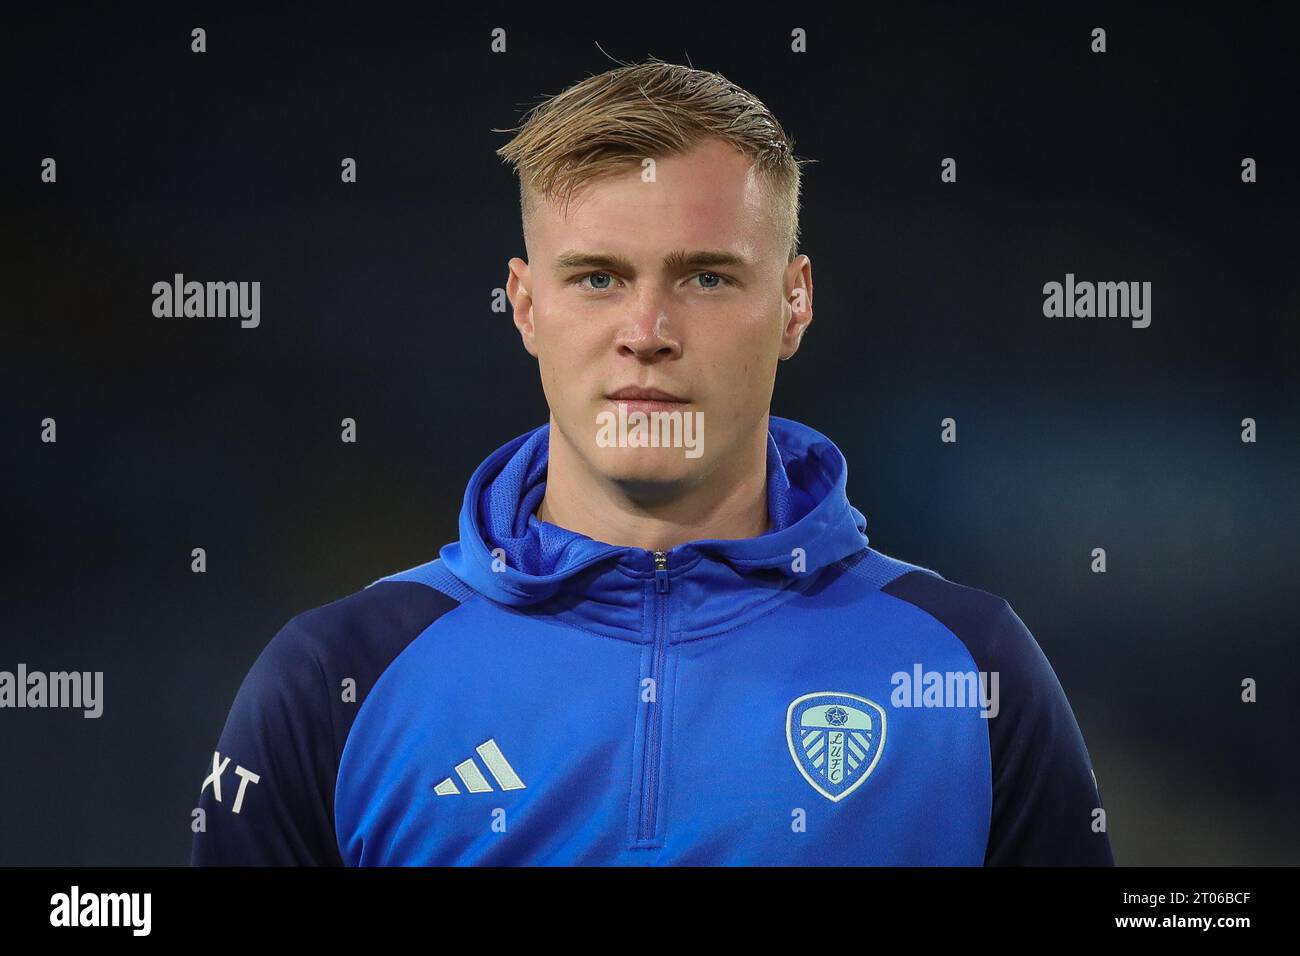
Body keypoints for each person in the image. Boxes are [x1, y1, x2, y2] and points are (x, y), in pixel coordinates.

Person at [191, 58, 1113, 866]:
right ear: (522, 305)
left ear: (794, 303)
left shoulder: (971, 669)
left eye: (706, 277)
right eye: (597, 278)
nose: (647, 333)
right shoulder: (336, 679)